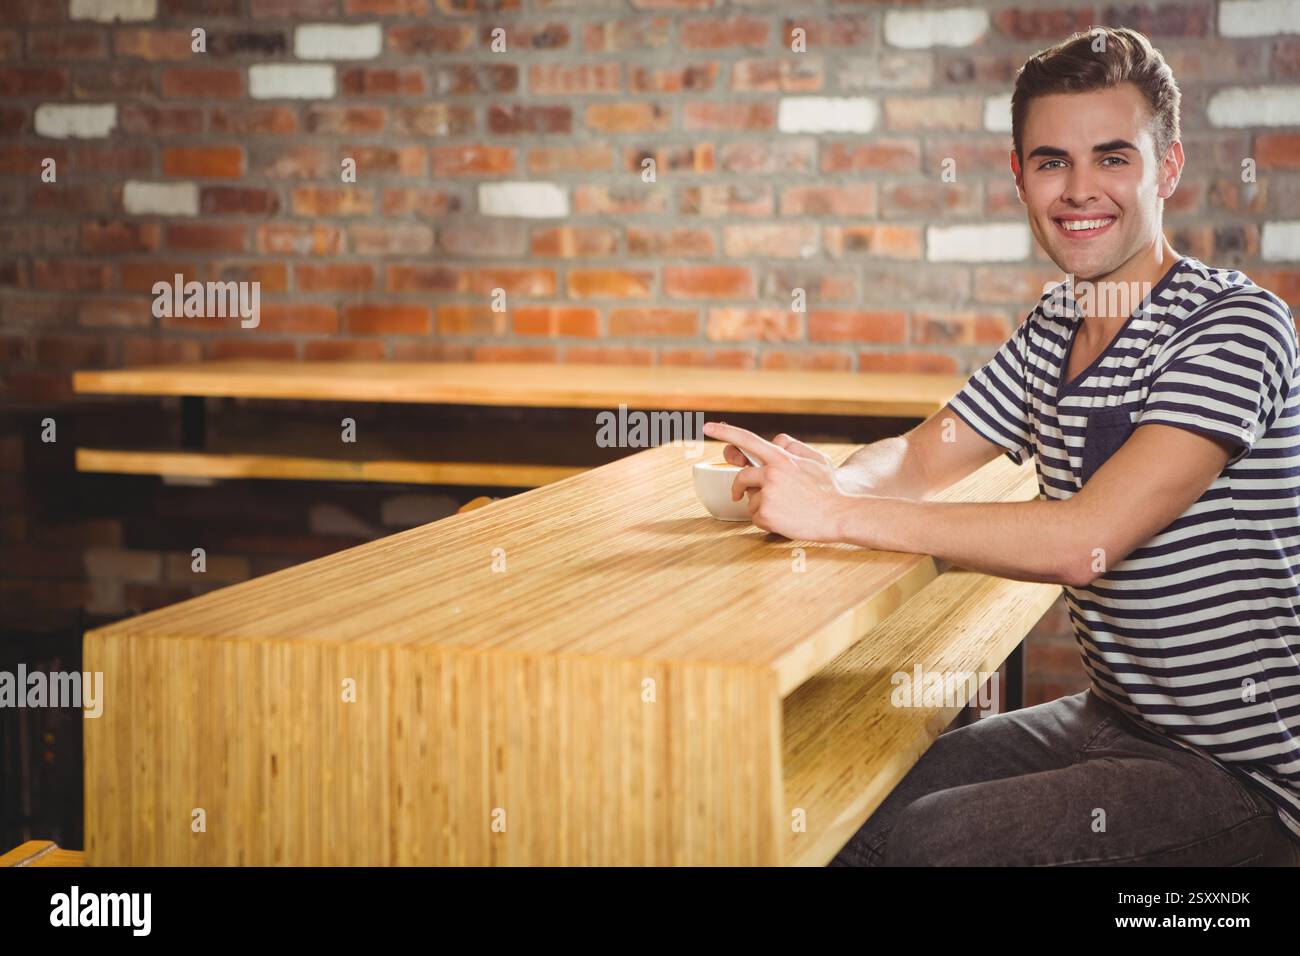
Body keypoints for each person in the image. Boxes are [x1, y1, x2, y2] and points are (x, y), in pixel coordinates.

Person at [703, 27, 1300, 866]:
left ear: (1167, 168)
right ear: (1019, 176)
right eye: (1053, 161)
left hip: (1249, 778)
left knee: (926, 846)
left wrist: (839, 514)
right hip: (1117, 719)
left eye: (1113, 158)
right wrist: (826, 477)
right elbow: (919, 459)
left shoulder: (1235, 327)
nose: (1080, 188)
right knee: (846, 806)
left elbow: (1082, 541)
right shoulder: (1055, 325)